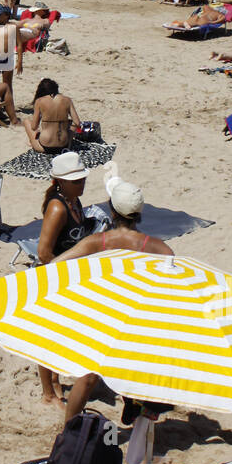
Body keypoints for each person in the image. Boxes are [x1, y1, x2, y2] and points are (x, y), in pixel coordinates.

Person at [53, 175, 173, 422]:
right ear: (139, 213)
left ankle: (70, 431)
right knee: (142, 372)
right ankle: (136, 405)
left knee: (87, 378)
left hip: (105, 317)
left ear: (112, 209)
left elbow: (55, 266)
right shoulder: (160, 249)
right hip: (139, 322)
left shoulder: (99, 242)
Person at [34, 152, 102, 408]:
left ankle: (56, 383)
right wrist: (63, 276)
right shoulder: (58, 207)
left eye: (82, 178)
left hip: (69, 276)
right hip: (56, 278)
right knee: (49, 338)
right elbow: (43, 251)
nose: (81, 183)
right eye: (75, 180)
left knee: (60, 336)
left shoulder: (73, 202)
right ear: (60, 182)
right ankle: (48, 393)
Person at [23, 79, 82, 153]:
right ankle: (68, 140)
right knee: (72, 126)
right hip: (64, 145)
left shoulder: (39, 101)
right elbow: (77, 123)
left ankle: (32, 142)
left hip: (44, 147)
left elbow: (34, 127)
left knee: (26, 121)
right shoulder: (67, 100)